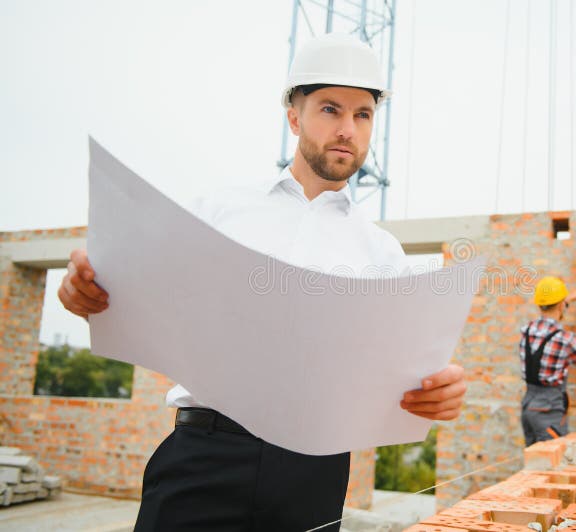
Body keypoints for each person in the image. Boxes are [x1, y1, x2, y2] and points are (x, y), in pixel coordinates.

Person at [58, 34, 467, 531]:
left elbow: (407, 374)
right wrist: (82, 294)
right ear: (294, 117)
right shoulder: (218, 212)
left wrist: (439, 391)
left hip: (313, 473)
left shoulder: (383, 254)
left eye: (363, 115)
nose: (347, 129)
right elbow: (135, 296)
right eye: (330, 109)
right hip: (204, 454)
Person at [519, 276, 576, 447]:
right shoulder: (564, 339)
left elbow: (548, 319)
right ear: (560, 305)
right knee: (554, 460)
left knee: (534, 462)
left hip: (528, 407)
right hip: (548, 409)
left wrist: (567, 299)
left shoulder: (527, 330)